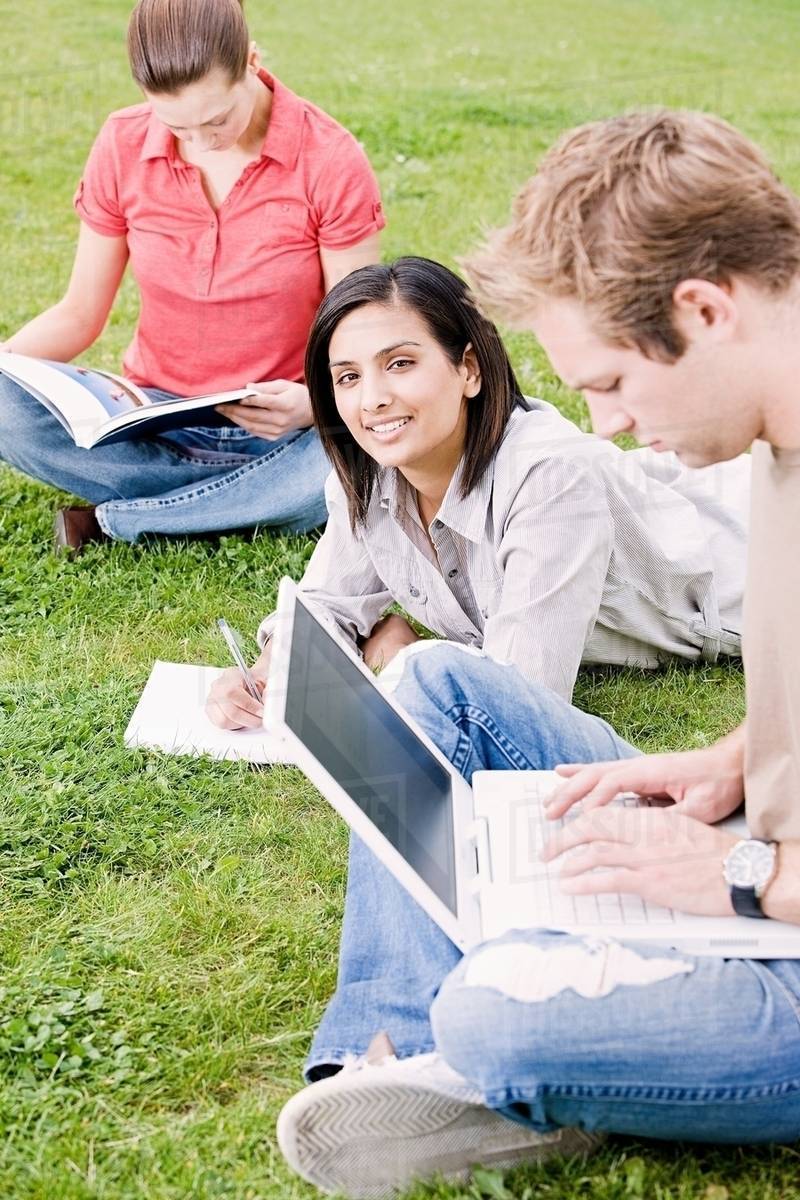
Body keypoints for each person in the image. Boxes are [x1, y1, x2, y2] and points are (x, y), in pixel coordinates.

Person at [275, 113, 800, 1199]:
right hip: (761, 843)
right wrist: (733, 765)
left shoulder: (578, 466)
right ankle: (411, 1056)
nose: (603, 424)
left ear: (704, 311)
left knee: (487, 1013)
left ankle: (504, 1055)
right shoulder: (772, 451)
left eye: (609, 382)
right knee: (432, 681)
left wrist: (742, 876)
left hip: (777, 920)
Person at [205, 255, 749, 729]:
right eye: (348, 377)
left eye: (400, 364)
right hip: (663, 492)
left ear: (469, 368)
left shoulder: (552, 481)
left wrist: (409, 659)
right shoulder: (372, 473)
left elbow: (518, 701)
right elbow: (326, 604)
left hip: (754, 553)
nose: (372, 400)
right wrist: (269, 671)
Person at [0, 0, 384, 551]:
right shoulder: (122, 143)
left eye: (217, 119)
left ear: (252, 62)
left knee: (360, 451)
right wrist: (8, 365)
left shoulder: (329, 157)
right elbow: (80, 313)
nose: (202, 142)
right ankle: (241, 501)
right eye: (176, 126)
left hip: (286, 425)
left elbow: (359, 332)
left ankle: (126, 518)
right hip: (153, 420)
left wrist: (312, 405)